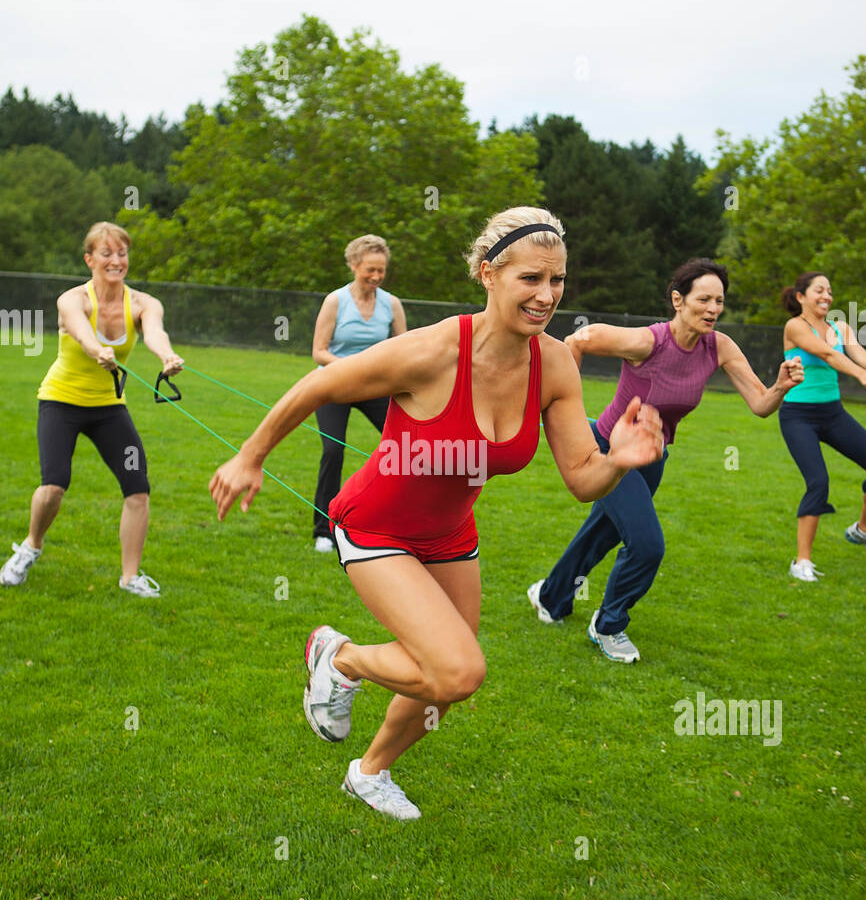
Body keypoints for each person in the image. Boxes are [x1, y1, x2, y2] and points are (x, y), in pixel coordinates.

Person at [209, 207, 664, 821]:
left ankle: (369, 773)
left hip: (450, 534)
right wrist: (250, 456)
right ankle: (338, 658)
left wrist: (620, 460)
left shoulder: (554, 364)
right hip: (375, 527)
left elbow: (583, 478)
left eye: (557, 281)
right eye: (531, 278)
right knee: (456, 671)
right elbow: (318, 386)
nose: (547, 295)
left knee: (442, 683)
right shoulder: (431, 351)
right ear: (488, 274)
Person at [526, 258, 805, 661]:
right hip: (610, 446)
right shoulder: (648, 342)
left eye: (719, 301)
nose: (713, 309)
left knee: (603, 533)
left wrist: (780, 385)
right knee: (646, 545)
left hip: (653, 456)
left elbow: (761, 405)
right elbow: (580, 339)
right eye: (704, 299)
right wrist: (567, 413)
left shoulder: (719, 347)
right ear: (678, 299)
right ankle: (608, 626)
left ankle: (551, 596)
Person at [0, 221, 184, 596]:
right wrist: (96, 348)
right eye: (107, 253)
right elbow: (79, 329)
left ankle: (130, 577)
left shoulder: (145, 303)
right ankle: (31, 546)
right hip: (60, 403)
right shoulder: (73, 299)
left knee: (137, 489)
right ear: (90, 259)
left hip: (108, 409)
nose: (116, 260)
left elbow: (155, 332)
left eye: (122, 253)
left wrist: (167, 355)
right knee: (54, 486)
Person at [310, 234, 407, 552]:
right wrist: (352, 367)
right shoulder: (336, 301)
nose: (376, 277)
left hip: (374, 386)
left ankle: (390, 518)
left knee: (404, 449)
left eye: (381, 270)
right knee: (333, 452)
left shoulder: (391, 304)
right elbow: (319, 352)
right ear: (354, 265)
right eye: (370, 270)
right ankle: (324, 531)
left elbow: (404, 348)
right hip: (334, 384)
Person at [778, 271, 866, 580]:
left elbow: (858, 354)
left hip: (834, 414)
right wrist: (859, 374)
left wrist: (863, 367)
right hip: (799, 416)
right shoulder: (795, 327)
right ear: (801, 296)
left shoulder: (840, 327)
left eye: (829, 290)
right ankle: (801, 562)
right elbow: (827, 354)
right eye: (819, 290)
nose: (826, 296)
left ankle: (861, 530)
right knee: (818, 482)